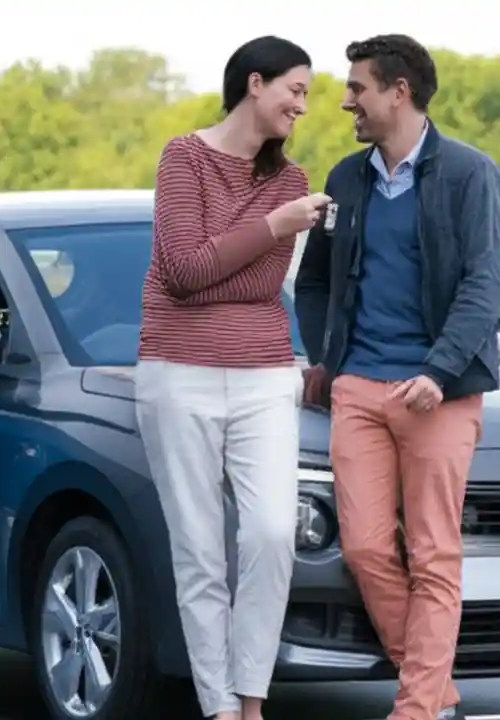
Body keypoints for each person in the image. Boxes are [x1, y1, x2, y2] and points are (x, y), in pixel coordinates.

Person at [294, 34, 500, 720]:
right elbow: (315, 282)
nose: (345, 100)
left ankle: (416, 709)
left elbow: (485, 286)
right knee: (362, 546)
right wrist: (326, 357)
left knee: (433, 553)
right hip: (357, 387)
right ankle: (436, 695)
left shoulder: (471, 176)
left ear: (399, 92)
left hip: (438, 395)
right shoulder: (344, 179)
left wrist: (440, 371)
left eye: (357, 87)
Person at [134, 35, 331, 720]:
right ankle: (224, 710)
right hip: (176, 376)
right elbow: (185, 272)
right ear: (255, 83)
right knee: (198, 553)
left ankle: (253, 696)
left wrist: (224, 257)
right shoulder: (182, 158)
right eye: (295, 90)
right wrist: (269, 228)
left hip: (264, 377)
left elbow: (253, 281)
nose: (303, 105)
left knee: (273, 534)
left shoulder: (294, 181)